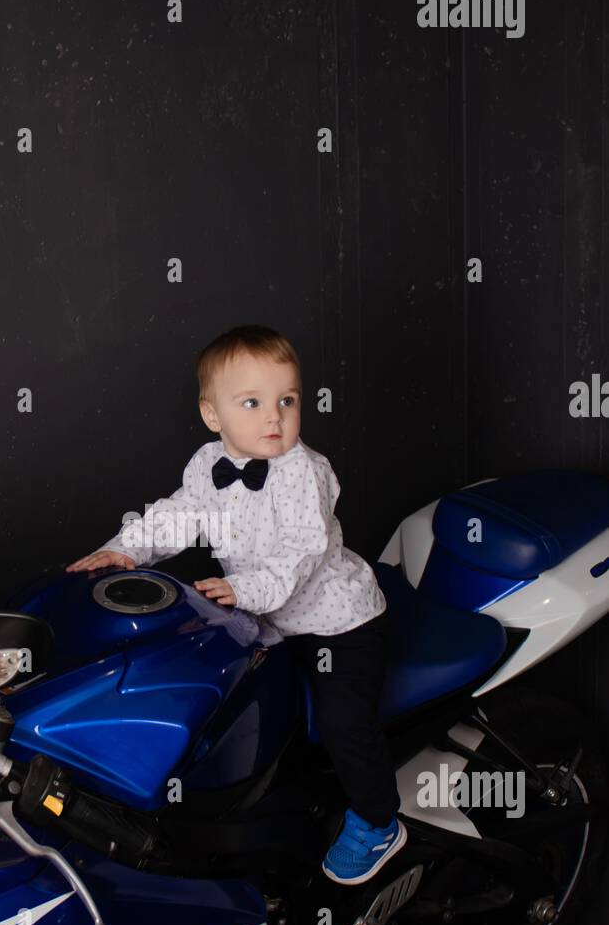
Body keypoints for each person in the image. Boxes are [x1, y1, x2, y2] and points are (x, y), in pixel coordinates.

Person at [66, 324, 406, 884]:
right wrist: (121, 552)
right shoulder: (208, 465)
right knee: (247, 713)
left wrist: (244, 591)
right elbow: (175, 516)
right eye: (252, 403)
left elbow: (301, 554)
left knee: (346, 722)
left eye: (287, 401)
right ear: (213, 415)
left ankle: (378, 820)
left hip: (338, 626)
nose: (274, 418)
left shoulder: (304, 471)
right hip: (269, 624)